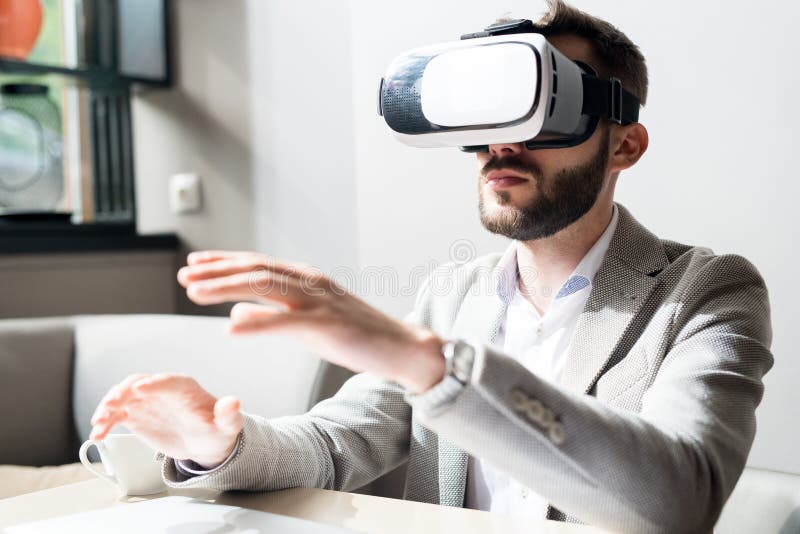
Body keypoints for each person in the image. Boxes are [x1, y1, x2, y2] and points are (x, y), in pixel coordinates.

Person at [88, 1, 773, 531]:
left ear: (624, 145)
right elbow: (337, 442)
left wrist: (437, 366)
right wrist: (218, 445)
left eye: (547, 108)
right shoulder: (452, 296)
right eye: (492, 112)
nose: (502, 145)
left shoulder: (706, 292)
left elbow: (678, 504)